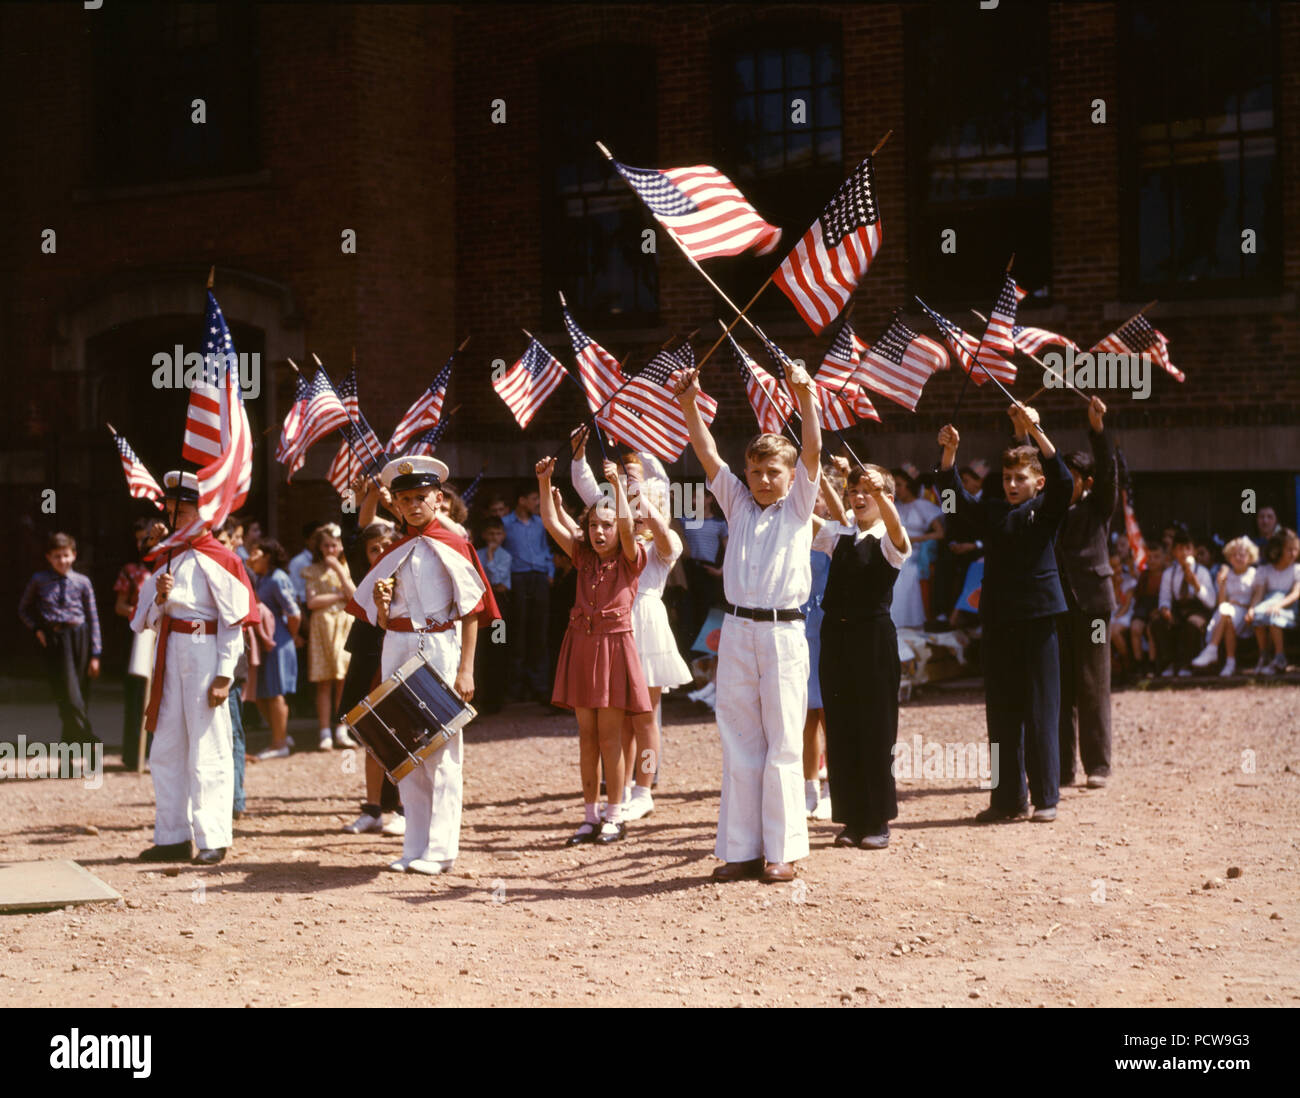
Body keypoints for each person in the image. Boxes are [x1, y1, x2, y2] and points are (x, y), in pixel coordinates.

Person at [673, 356, 821, 883]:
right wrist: (690, 403)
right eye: (754, 470)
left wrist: (804, 396)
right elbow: (708, 455)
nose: (761, 479)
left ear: (788, 476)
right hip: (736, 629)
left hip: (783, 632)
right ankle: (741, 848)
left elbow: (812, 450)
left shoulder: (801, 505)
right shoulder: (735, 502)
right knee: (738, 736)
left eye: (771, 471)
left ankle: (782, 851)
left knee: (783, 737)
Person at [347, 455, 499, 874]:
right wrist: (380, 607)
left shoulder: (454, 545)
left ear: (437, 499)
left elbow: (472, 609)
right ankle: (413, 846)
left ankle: (441, 849)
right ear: (393, 505)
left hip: (438, 648)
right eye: (404, 499)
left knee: (442, 751)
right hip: (396, 644)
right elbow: (379, 615)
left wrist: (465, 669)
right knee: (403, 747)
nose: (414, 505)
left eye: (420, 496)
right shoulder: (393, 550)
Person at [937, 404, 1072, 824]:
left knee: (1040, 708)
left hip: (1038, 618)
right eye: (1008, 478)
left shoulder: (1047, 509)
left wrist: (1034, 429)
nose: (1012, 484)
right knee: (1001, 711)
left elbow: (1065, 482)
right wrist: (948, 458)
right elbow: (953, 509)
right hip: (997, 619)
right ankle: (1008, 799)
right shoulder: (993, 511)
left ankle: (1046, 797)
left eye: (1020, 478)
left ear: (1037, 482)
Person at [130, 471, 257, 865]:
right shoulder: (166, 556)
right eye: (169, 510)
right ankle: (172, 834)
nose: (172, 518)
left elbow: (233, 621)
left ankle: (212, 836)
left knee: (208, 746)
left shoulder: (222, 559)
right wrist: (160, 599)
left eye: (181, 511)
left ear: (202, 512)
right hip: (170, 654)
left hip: (205, 652)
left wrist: (223, 673)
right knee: (167, 747)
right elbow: (145, 620)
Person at [568, 430, 691, 821]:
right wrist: (579, 455)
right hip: (611, 630)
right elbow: (586, 489)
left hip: (646, 626)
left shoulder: (660, 544)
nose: (633, 511)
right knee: (617, 716)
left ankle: (645, 789)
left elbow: (665, 536)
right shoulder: (613, 537)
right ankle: (619, 792)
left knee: (646, 717)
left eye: (642, 505)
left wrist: (636, 494)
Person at [538, 454, 649, 845]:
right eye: (593, 526)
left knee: (610, 738)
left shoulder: (631, 560)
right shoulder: (582, 557)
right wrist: (544, 482)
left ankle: (615, 815)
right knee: (586, 736)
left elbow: (626, 524)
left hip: (615, 648)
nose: (600, 532)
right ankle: (589, 816)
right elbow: (552, 521)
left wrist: (617, 484)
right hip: (582, 645)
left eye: (606, 525)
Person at [813, 464, 911, 849]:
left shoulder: (889, 538)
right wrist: (821, 477)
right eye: (854, 489)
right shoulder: (840, 534)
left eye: (868, 489)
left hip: (873, 639)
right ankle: (851, 819)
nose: (859, 495)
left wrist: (881, 493)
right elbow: (824, 517)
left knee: (875, 728)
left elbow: (897, 529)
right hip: (835, 636)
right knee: (841, 726)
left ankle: (877, 818)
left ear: (886, 495)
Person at [1055, 396, 1118, 790]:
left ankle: (1098, 765)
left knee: (1092, 683)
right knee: (1059, 686)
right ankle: (1061, 768)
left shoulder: (1098, 507)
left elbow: (1110, 473)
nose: (1065, 484)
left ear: (1087, 483)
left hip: (1093, 606)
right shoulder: (1048, 510)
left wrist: (1098, 431)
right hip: (1058, 606)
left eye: (1072, 478)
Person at [338, 518, 405, 837]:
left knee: (402, 734)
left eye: (385, 547)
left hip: (399, 657)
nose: (379, 553)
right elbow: (351, 529)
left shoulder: (408, 576)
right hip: (368, 658)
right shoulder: (366, 578)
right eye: (373, 549)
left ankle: (404, 808)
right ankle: (374, 808)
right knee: (368, 731)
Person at [18, 532, 103, 752]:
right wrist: (37, 629)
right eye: (56, 556)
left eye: (66, 555)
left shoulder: (83, 582)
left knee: (80, 695)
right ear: (48, 557)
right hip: (56, 640)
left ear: (73, 555)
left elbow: (93, 617)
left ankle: (68, 757)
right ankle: (88, 737)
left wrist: (95, 653)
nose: (62, 561)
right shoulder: (39, 580)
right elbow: (23, 609)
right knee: (68, 694)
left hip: (80, 636)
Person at [115, 516, 167, 768]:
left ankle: (161, 752)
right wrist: (142, 611)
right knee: (139, 692)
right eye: (139, 541)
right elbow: (120, 605)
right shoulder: (132, 571)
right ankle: (135, 752)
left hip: (168, 634)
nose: (142, 544)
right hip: (143, 635)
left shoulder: (170, 566)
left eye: (146, 539)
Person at [302, 523, 358, 751]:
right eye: (326, 545)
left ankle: (342, 729)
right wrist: (337, 596)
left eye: (334, 545)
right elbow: (312, 602)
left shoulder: (348, 567)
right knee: (324, 681)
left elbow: (353, 596)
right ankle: (324, 731)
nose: (331, 549)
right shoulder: (312, 570)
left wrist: (338, 571)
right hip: (323, 627)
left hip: (344, 624)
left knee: (343, 679)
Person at [246, 538, 302, 759]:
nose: (251, 557)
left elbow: (294, 612)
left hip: (278, 639)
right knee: (261, 693)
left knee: (275, 693)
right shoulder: (260, 578)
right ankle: (282, 734)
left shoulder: (278, 579)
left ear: (267, 556)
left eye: (255, 553)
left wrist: (291, 636)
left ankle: (279, 744)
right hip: (264, 640)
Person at [502, 479, 554, 703]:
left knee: (539, 631)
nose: (536, 503)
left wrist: (549, 571)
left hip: (540, 578)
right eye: (534, 499)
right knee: (517, 631)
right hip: (517, 578)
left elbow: (546, 549)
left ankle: (539, 685)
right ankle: (516, 686)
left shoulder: (541, 523)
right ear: (521, 501)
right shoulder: (505, 524)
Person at [1150, 526, 1214, 677]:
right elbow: (1164, 598)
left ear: (1193, 551)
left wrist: (1196, 586)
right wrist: (1165, 609)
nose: (1184, 553)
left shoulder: (1202, 572)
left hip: (1198, 611)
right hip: (1178, 610)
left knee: (1193, 624)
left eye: (1187, 548)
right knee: (1158, 622)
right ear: (1173, 552)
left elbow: (1211, 602)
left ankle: (1187, 663)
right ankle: (1169, 662)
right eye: (1179, 549)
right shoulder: (1169, 573)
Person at [1191, 536, 1259, 676]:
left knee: (1227, 613)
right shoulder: (1226, 574)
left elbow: (1256, 597)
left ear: (1250, 556)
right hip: (1227, 613)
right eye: (1234, 555)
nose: (1238, 557)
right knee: (1226, 614)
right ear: (1229, 557)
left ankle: (1212, 650)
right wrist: (1221, 584)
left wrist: (1244, 607)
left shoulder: (1254, 574)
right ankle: (1229, 662)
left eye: (1242, 554)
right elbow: (1221, 603)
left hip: (1246, 614)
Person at [889, 469, 943, 629]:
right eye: (894, 485)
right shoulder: (894, 506)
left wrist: (914, 539)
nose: (896, 489)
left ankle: (910, 621)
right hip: (895, 549)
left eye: (899, 485)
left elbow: (940, 533)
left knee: (906, 571)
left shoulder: (923, 505)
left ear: (909, 485)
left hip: (916, 551)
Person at [1246, 527, 1299, 675]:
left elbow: (1296, 593)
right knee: (1257, 614)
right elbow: (1259, 593)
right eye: (1289, 549)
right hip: (1270, 604)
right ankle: (1264, 655)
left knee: (1273, 615)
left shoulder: (1296, 570)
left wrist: (1279, 605)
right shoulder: (1266, 570)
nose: (1293, 553)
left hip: (1289, 608)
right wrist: (1251, 608)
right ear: (1278, 549)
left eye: (1296, 549)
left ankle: (1280, 658)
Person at [473, 516, 512, 714]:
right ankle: (480, 697)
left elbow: (498, 580)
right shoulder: (477, 554)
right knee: (481, 652)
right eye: (490, 534)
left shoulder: (505, 556)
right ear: (484, 535)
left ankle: (497, 699)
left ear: (503, 536)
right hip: (483, 606)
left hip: (500, 609)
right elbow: (479, 582)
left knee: (498, 648)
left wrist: (490, 558)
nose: (494, 538)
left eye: (498, 534)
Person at [680, 487, 728, 643]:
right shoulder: (686, 520)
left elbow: (729, 549)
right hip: (689, 570)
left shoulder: (719, 524)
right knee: (688, 612)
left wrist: (721, 571)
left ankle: (706, 656)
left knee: (707, 612)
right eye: (693, 498)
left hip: (708, 571)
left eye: (699, 497)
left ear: (709, 499)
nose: (695, 501)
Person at [1128, 542, 1165, 676]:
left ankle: (1152, 663)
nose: (1152, 560)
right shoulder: (1144, 575)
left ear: (1164, 558)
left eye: (1156, 557)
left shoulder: (1166, 574)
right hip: (1144, 606)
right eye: (1149, 557)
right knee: (1135, 628)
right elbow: (1138, 595)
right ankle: (1138, 663)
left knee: (1151, 629)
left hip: (1158, 605)